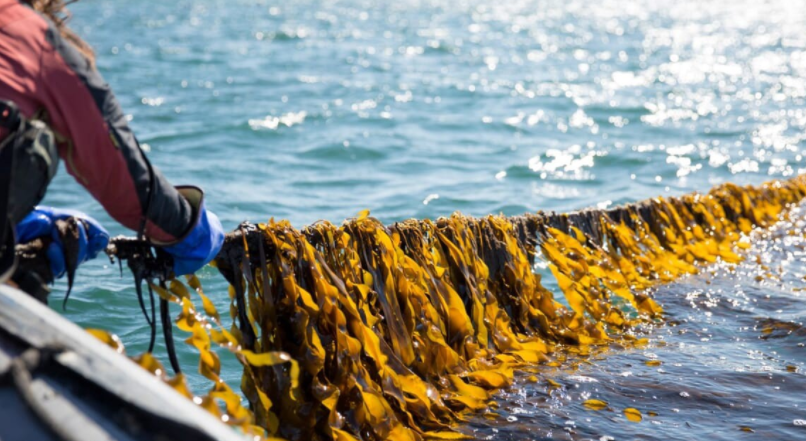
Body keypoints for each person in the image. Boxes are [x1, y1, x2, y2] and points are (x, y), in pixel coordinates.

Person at [0, 0, 224, 294]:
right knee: (34, 138)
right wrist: (188, 229)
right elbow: (119, 175)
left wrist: (20, 222)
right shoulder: (24, 32)